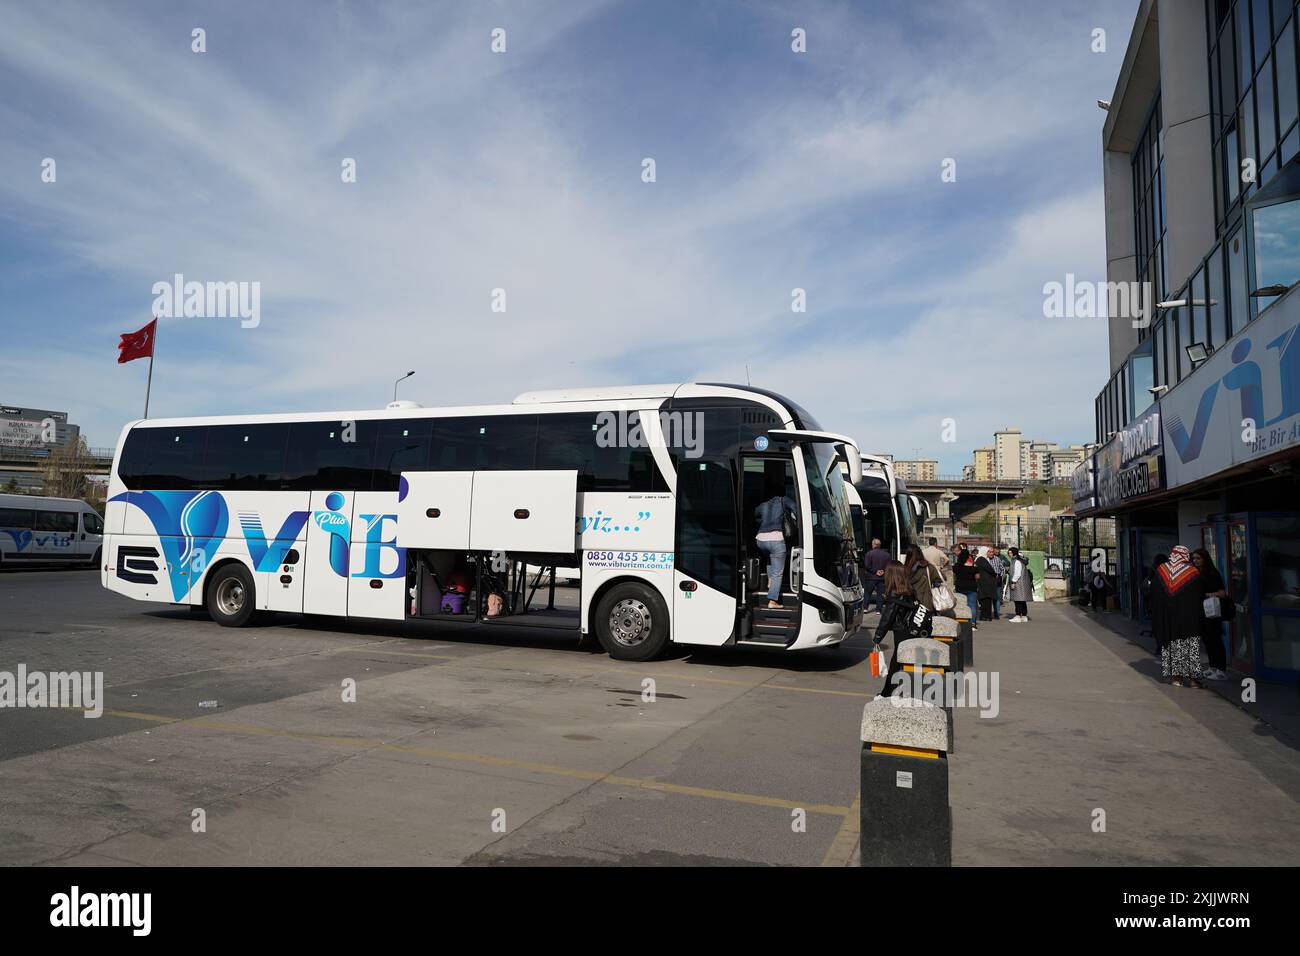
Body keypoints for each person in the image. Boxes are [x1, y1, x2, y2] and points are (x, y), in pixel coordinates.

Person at [1149, 545, 1205, 688]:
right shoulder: (1193, 573)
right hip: (1188, 619)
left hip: (1168, 619)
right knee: (1189, 645)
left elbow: (1153, 596)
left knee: (1171, 645)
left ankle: (1176, 678)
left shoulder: (1161, 571)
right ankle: (1193, 680)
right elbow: (1199, 597)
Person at [754, 485, 796, 609]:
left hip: (760, 540)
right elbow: (796, 509)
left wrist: (762, 522)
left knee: (771, 557)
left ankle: (770, 581)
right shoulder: (784, 500)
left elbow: (755, 514)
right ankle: (772, 601)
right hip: (776, 539)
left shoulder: (763, 505)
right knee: (778, 572)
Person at [1192, 548, 1230, 680]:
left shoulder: (1212, 573)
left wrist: (1207, 594)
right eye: (1194, 558)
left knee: (1215, 640)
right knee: (1208, 640)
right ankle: (1212, 667)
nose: (1195, 561)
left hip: (1212, 612)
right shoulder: (1196, 573)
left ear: (1204, 559)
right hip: (1202, 612)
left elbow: (1222, 593)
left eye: (1198, 558)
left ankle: (1221, 669)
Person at [862, 537, 891, 613]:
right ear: (879, 545)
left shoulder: (868, 554)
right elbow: (889, 566)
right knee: (880, 594)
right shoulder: (887, 555)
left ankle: (865, 608)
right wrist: (882, 571)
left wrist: (875, 572)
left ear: (874, 545)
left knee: (867, 593)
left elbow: (867, 566)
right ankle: (878, 610)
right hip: (882, 578)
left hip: (870, 577)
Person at [953, 547, 979, 626]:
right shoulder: (974, 566)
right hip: (971, 587)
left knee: (960, 605)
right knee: (972, 606)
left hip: (960, 587)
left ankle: (961, 621)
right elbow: (977, 577)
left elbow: (954, 574)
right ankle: (973, 622)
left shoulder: (957, 566)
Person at [1007, 547, 1033, 622]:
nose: (1009, 554)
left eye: (1011, 553)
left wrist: (1013, 582)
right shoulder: (1020, 560)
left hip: (1018, 583)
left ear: (1014, 553)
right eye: (1008, 553)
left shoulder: (1016, 561)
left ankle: (1018, 615)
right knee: (1022, 600)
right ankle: (1024, 616)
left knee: (1017, 600)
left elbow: (1017, 573)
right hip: (1023, 583)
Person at [974, 548, 999, 621]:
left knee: (984, 599)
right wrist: (995, 574)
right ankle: (987, 616)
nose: (990, 553)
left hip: (984, 582)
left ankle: (984, 615)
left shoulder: (980, 559)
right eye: (988, 551)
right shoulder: (981, 559)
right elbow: (989, 569)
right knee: (986, 599)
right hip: (986, 583)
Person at [988, 547, 1007, 619]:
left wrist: (1000, 577)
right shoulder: (985, 559)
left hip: (996, 581)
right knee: (988, 598)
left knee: (997, 598)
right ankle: (988, 613)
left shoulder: (997, 559)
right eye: (989, 552)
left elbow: (1002, 569)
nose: (991, 553)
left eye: (992, 552)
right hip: (988, 582)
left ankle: (997, 613)